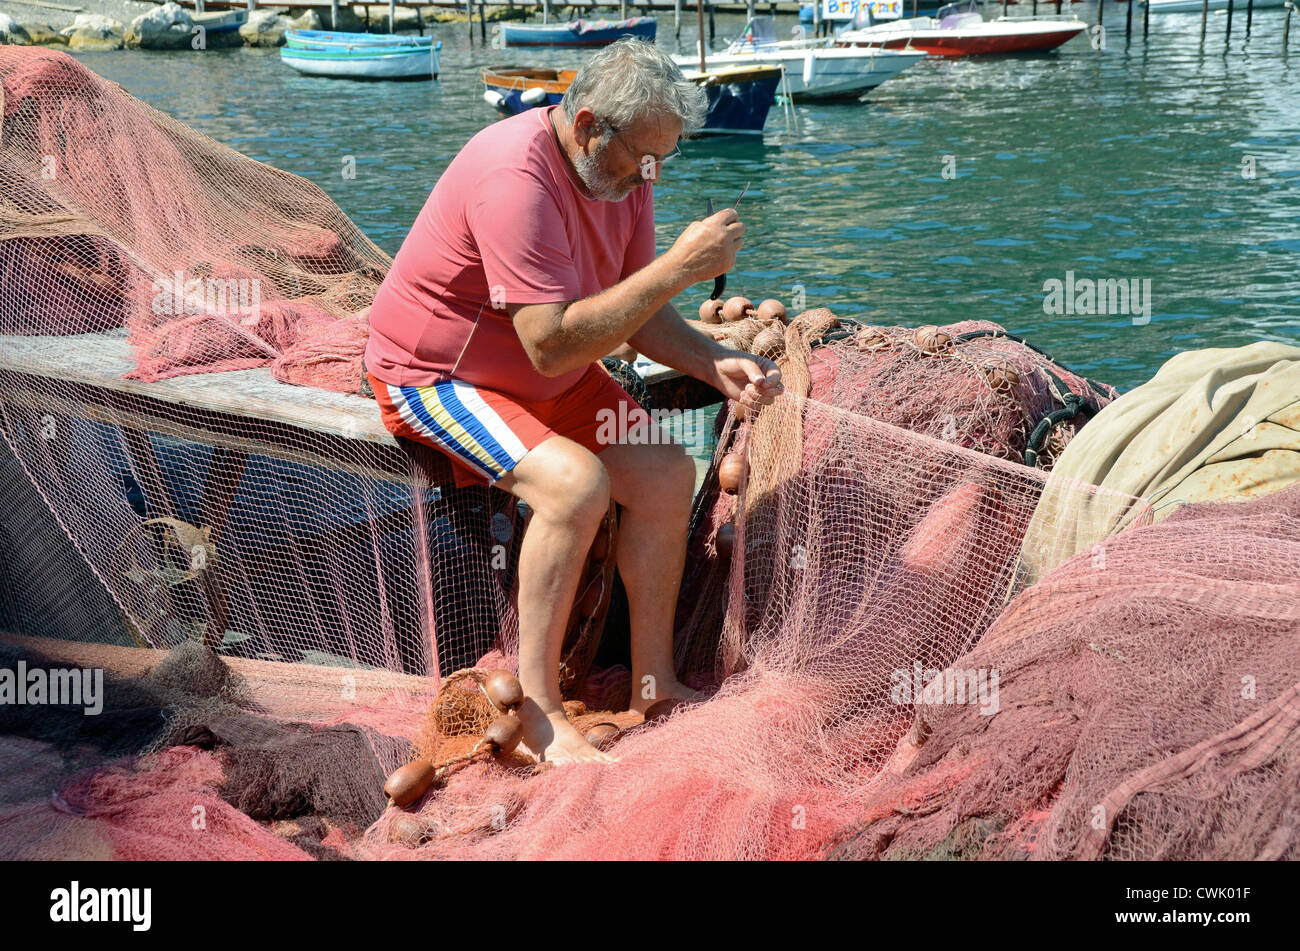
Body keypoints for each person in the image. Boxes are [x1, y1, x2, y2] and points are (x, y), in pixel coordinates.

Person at [364, 38, 782, 764]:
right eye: (642, 157)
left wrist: (717, 361)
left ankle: (653, 682)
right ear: (588, 125)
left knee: (664, 473)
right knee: (575, 486)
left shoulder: (626, 175)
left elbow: (638, 315)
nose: (650, 175)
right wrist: (680, 266)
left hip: (546, 374)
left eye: (665, 158)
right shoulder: (514, 176)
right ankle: (537, 712)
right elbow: (552, 343)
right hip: (438, 376)